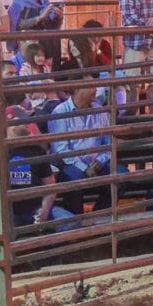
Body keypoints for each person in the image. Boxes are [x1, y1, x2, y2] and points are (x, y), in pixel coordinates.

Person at [46, 79, 114, 214]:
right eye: (90, 87)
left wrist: (101, 159)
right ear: (76, 90)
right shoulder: (60, 113)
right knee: (73, 180)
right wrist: (83, 167)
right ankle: (77, 221)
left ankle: (99, 216)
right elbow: (61, 150)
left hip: (98, 162)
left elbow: (109, 142)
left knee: (122, 176)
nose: (95, 90)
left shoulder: (100, 111)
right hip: (71, 164)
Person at [7, 0, 64, 65]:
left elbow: (51, 23)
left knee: (55, 40)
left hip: (45, 40)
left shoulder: (43, 0)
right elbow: (18, 24)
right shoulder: (18, 2)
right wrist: (39, 18)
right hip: (27, 40)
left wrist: (58, 16)